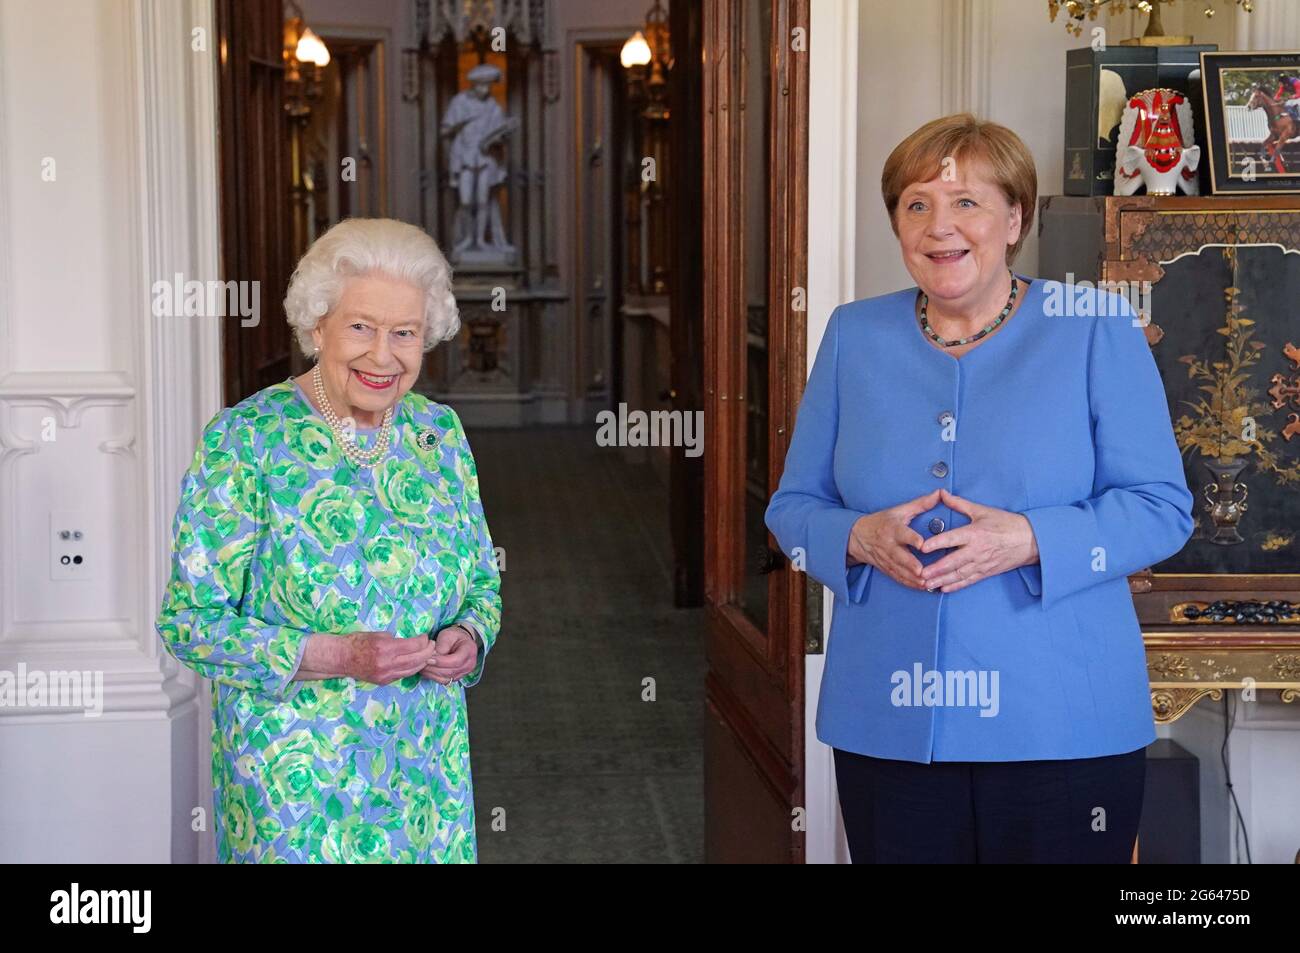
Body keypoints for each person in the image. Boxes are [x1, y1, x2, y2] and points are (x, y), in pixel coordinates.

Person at [765, 114, 1193, 863]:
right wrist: (854, 537)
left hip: (1063, 725)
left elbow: (1161, 508)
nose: (940, 226)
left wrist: (1029, 538)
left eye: (967, 202)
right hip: (889, 726)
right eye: (917, 203)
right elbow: (793, 509)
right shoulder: (853, 335)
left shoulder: (1093, 326)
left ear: (1015, 217)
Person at [156, 217, 501, 863]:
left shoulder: (439, 432)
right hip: (295, 780)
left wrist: (472, 633)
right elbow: (189, 622)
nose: (383, 354)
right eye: (361, 326)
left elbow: (482, 575)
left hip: (425, 769)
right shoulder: (246, 438)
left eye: (405, 333)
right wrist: (338, 655)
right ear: (317, 327)